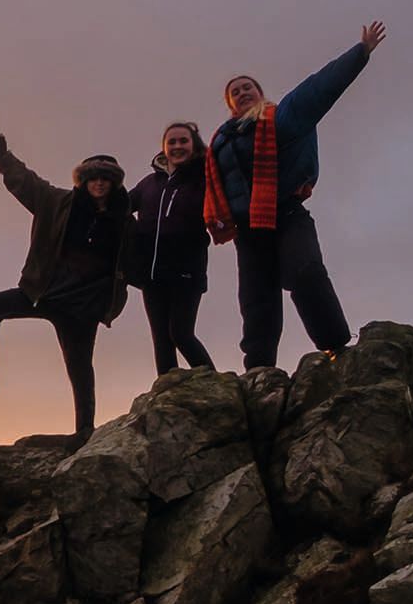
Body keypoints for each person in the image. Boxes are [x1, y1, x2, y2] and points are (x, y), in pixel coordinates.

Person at [204, 21, 388, 370]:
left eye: (248, 87)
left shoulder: (282, 119)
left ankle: (335, 344)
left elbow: (319, 88)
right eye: (235, 91)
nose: (242, 92)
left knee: (305, 272)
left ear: (259, 93)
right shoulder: (219, 143)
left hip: (287, 214)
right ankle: (259, 369)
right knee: (256, 300)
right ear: (230, 103)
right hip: (248, 229)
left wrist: (359, 52)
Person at [0, 134, 136, 439]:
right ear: (84, 181)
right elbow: (25, 183)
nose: (99, 183)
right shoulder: (58, 202)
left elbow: (133, 265)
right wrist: (2, 156)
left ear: (114, 184)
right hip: (44, 292)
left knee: (79, 366)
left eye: (105, 178)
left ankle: (85, 431)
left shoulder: (124, 222)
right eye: (93, 178)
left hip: (84, 305)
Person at [128, 120, 215, 374]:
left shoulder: (205, 179)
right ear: (164, 148)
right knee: (161, 340)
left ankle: (217, 386)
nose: (177, 146)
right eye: (172, 142)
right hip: (151, 273)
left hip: (187, 270)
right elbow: (120, 206)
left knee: (181, 332)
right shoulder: (149, 183)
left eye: (183, 141)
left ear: (194, 145)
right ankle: (168, 393)